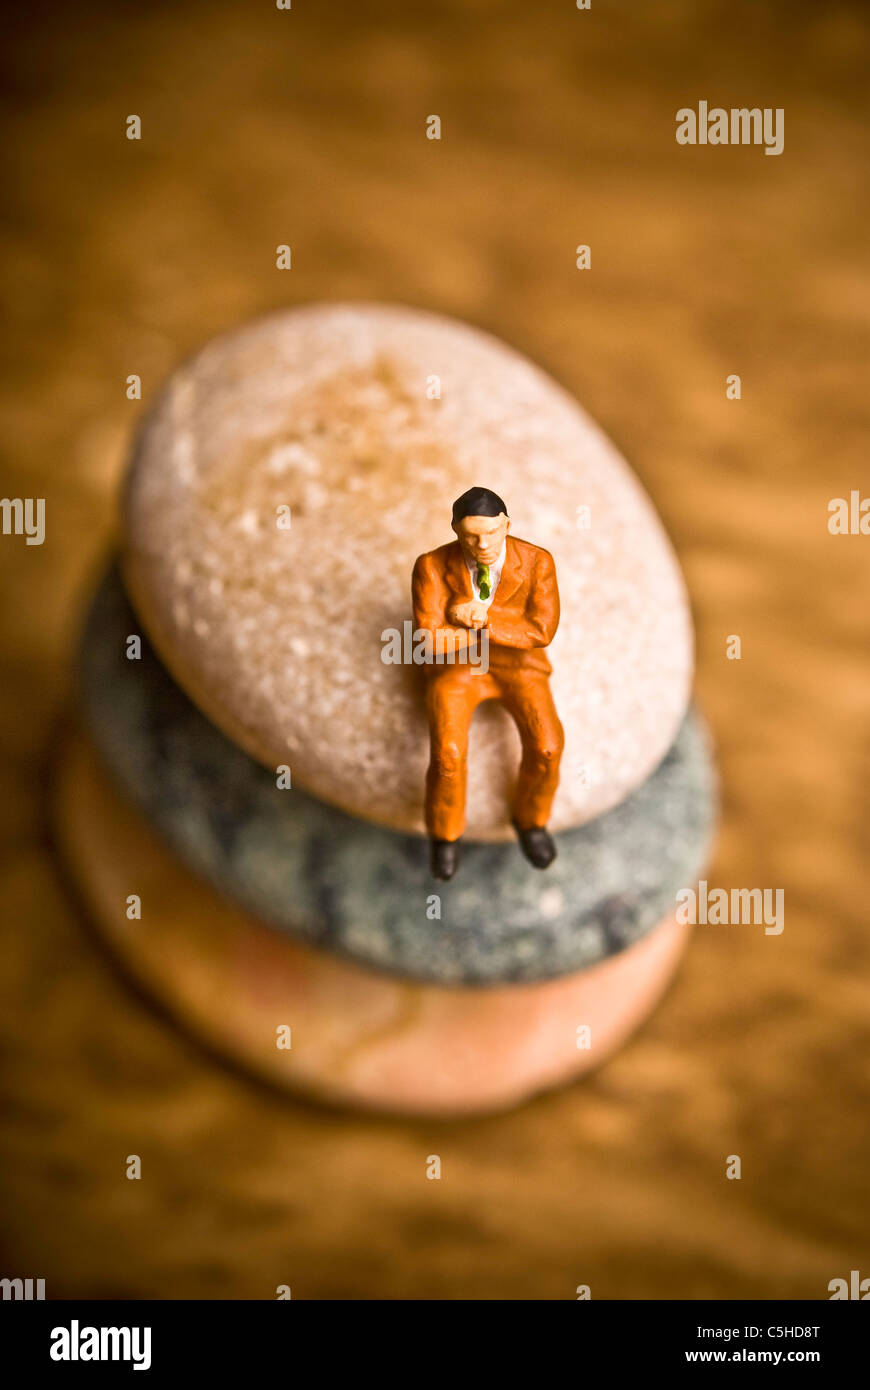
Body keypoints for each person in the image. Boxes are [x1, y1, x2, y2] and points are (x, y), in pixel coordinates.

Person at [412, 486, 564, 880]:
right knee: (446, 754)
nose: (482, 544)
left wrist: (477, 620)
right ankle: (445, 836)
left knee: (547, 746)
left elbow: (540, 630)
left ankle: (531, 821)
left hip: (521, 667)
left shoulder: (536, 562)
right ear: (455, 531)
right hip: (459, 669)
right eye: (471, 536)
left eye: (492, 533)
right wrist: (465, 633)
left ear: (507, 526)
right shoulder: (431, 566)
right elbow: (430, 640)